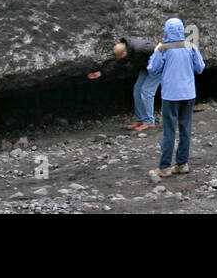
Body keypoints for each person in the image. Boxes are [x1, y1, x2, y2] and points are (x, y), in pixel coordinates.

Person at [147, 18, 205, 178]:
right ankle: (182, 163)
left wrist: (155, 52)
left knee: (169, 130)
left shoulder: (164, 49)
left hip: (171, 95)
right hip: (188, 93)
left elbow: (153, 70)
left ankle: (165, 167)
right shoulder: (190, 46)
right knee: (186, 128)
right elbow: (200, 68)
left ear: (167, 30)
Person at [87, 36, 160, 131]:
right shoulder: (127, 50)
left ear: (124, 53)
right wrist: (102, 73)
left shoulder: (140, 48)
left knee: (146, 91)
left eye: (119, 56)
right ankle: (141, 119)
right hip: (146, 67)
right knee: (137, 90)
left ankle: (149, 122)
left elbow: (160, 48)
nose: (119, 59)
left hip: (158, 67)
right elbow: (117, 63)